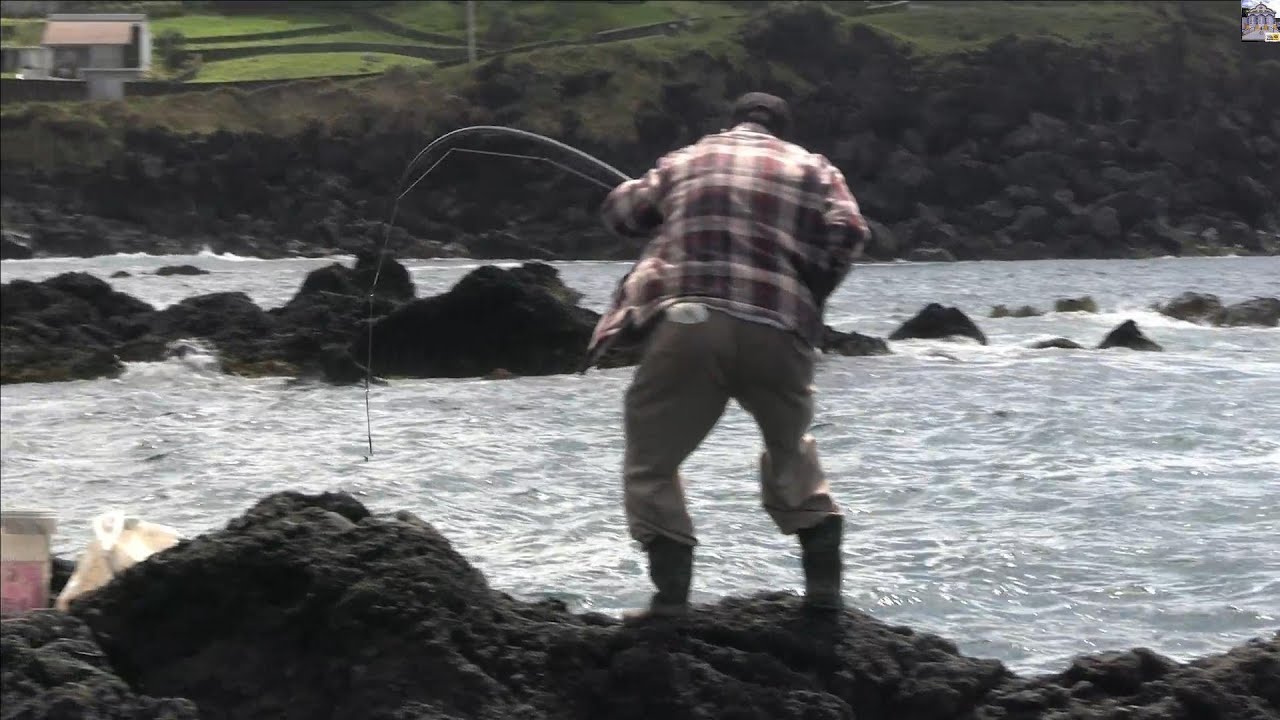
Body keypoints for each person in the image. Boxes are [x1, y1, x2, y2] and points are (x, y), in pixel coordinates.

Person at [581, 92, 871, 620]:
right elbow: (850, 231)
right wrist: (813, 285)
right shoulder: (814, 168)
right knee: (790, 450)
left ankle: (671, 604)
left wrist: (655, 203)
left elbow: (621, 212)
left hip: (691, 324)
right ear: (782, 129)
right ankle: (824, 597)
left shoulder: (686, 159)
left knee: (652, 464)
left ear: (732, 122)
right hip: (780, 329)